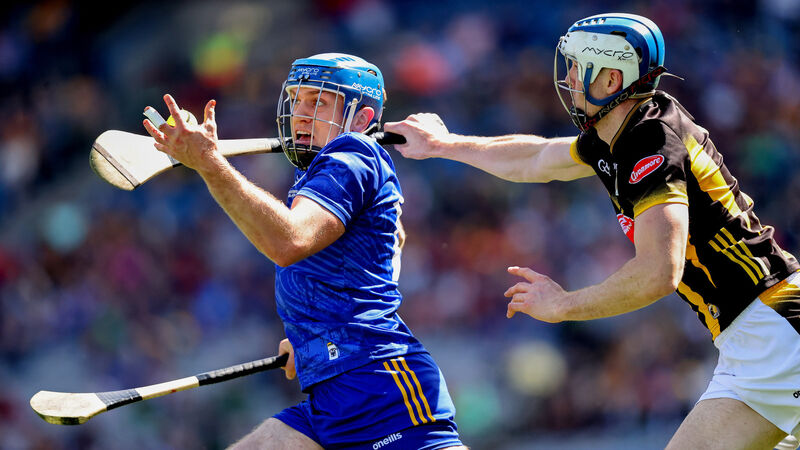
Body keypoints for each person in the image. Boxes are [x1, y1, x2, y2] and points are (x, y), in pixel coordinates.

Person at [385, 13, 800, 450]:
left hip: (772, 333)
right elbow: (535, 159)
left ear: (611, 79)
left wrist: (564, 304)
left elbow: (659, 272)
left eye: (577, 67)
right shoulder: (619, 135)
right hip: (766, 331)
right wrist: (442, 145)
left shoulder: (650, 141)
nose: (567, 79)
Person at [143, 53, 466, 450]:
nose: (300, 113)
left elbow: (289, 242)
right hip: (330, 397)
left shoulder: (353, 156)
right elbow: (383, 252)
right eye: (296, 100)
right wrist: (315, 338)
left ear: (362, 119)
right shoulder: (325, 172)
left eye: (318, 102)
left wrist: (211, 164)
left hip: (381, 390)